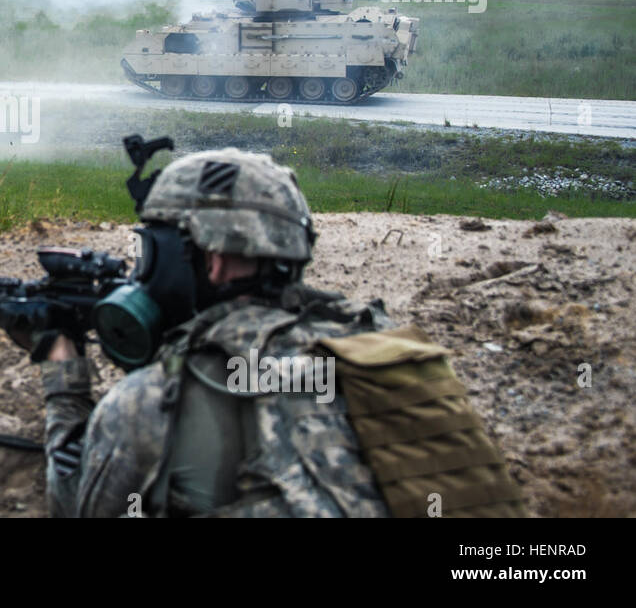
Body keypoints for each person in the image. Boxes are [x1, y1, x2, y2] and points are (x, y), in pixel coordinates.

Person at [31, 148, 523, 518]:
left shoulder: (151, 401)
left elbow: (73, 503)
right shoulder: (386, 351)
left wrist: (63, 375)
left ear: (214, 259)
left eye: (153, 250)